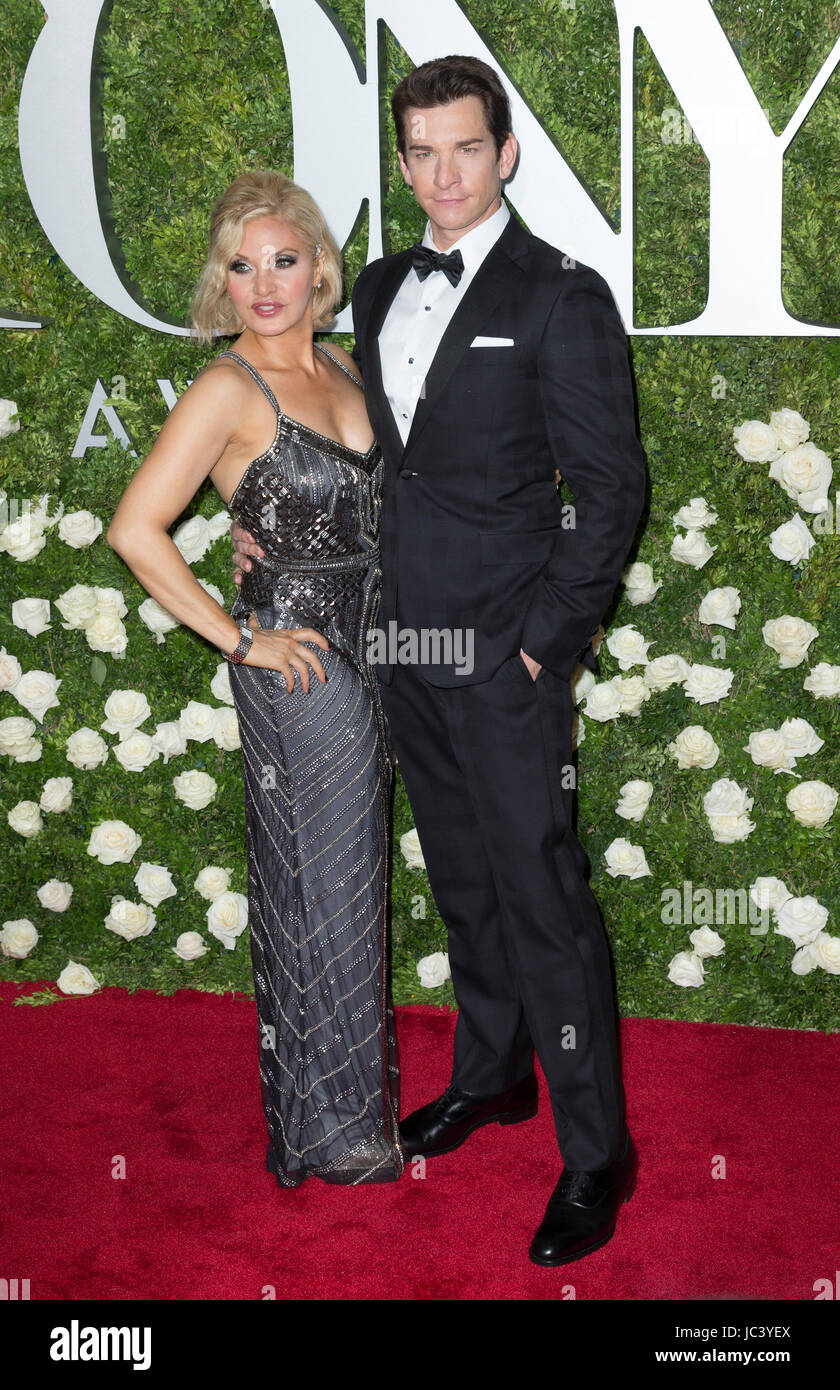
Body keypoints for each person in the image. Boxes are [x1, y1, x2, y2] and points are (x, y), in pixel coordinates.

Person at [232, 55, 647, 1262]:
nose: (444, 173)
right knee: (463, 882)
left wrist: (541, 650)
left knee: (544, 903)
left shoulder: (562, 297)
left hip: (503, 657)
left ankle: (593, 1155)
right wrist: (258, 508)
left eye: (466, 148)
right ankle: (491, 1076)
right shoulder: (373, 284)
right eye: (421, 152)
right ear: (404, 161)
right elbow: (362, 442)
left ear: (505, 153)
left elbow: (612, 489)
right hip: (398, 645)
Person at [107, 169, 405, 1187]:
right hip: (300, 664)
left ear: (320, 268)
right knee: (324, 884)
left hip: (375, 651)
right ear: (222, 284)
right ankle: (334, 1131)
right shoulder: (227, 387)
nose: (265, 282)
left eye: (284, 259)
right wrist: (240, 640)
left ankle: (340, 1113)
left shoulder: (348, 365)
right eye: (243, 266)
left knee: (350, 878)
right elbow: (135, 530)